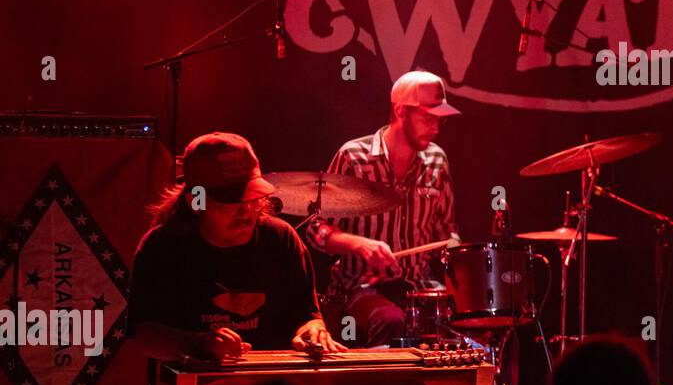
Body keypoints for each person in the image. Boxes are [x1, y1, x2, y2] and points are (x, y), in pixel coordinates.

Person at [129, 132, 342, 360]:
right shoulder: (163, 247)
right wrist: (199, 344)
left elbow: (306, 315)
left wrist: (312, 331)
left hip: (275, 384)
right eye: (229, 203)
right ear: (196, 201)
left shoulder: (281, 238)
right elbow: (145, 335)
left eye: (253, 199)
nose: (246, 212)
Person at [309, 71, 461, 346]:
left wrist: (458, 254)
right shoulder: (354, 157)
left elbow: (446, 233)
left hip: (418, 288)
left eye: (440, 120)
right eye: (429, 119)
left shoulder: (437, 160)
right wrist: (358, 244)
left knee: (475, 320)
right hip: (359, 288)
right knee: (391, 320)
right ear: (401, 111)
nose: (436, 128)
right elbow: (317, 228)